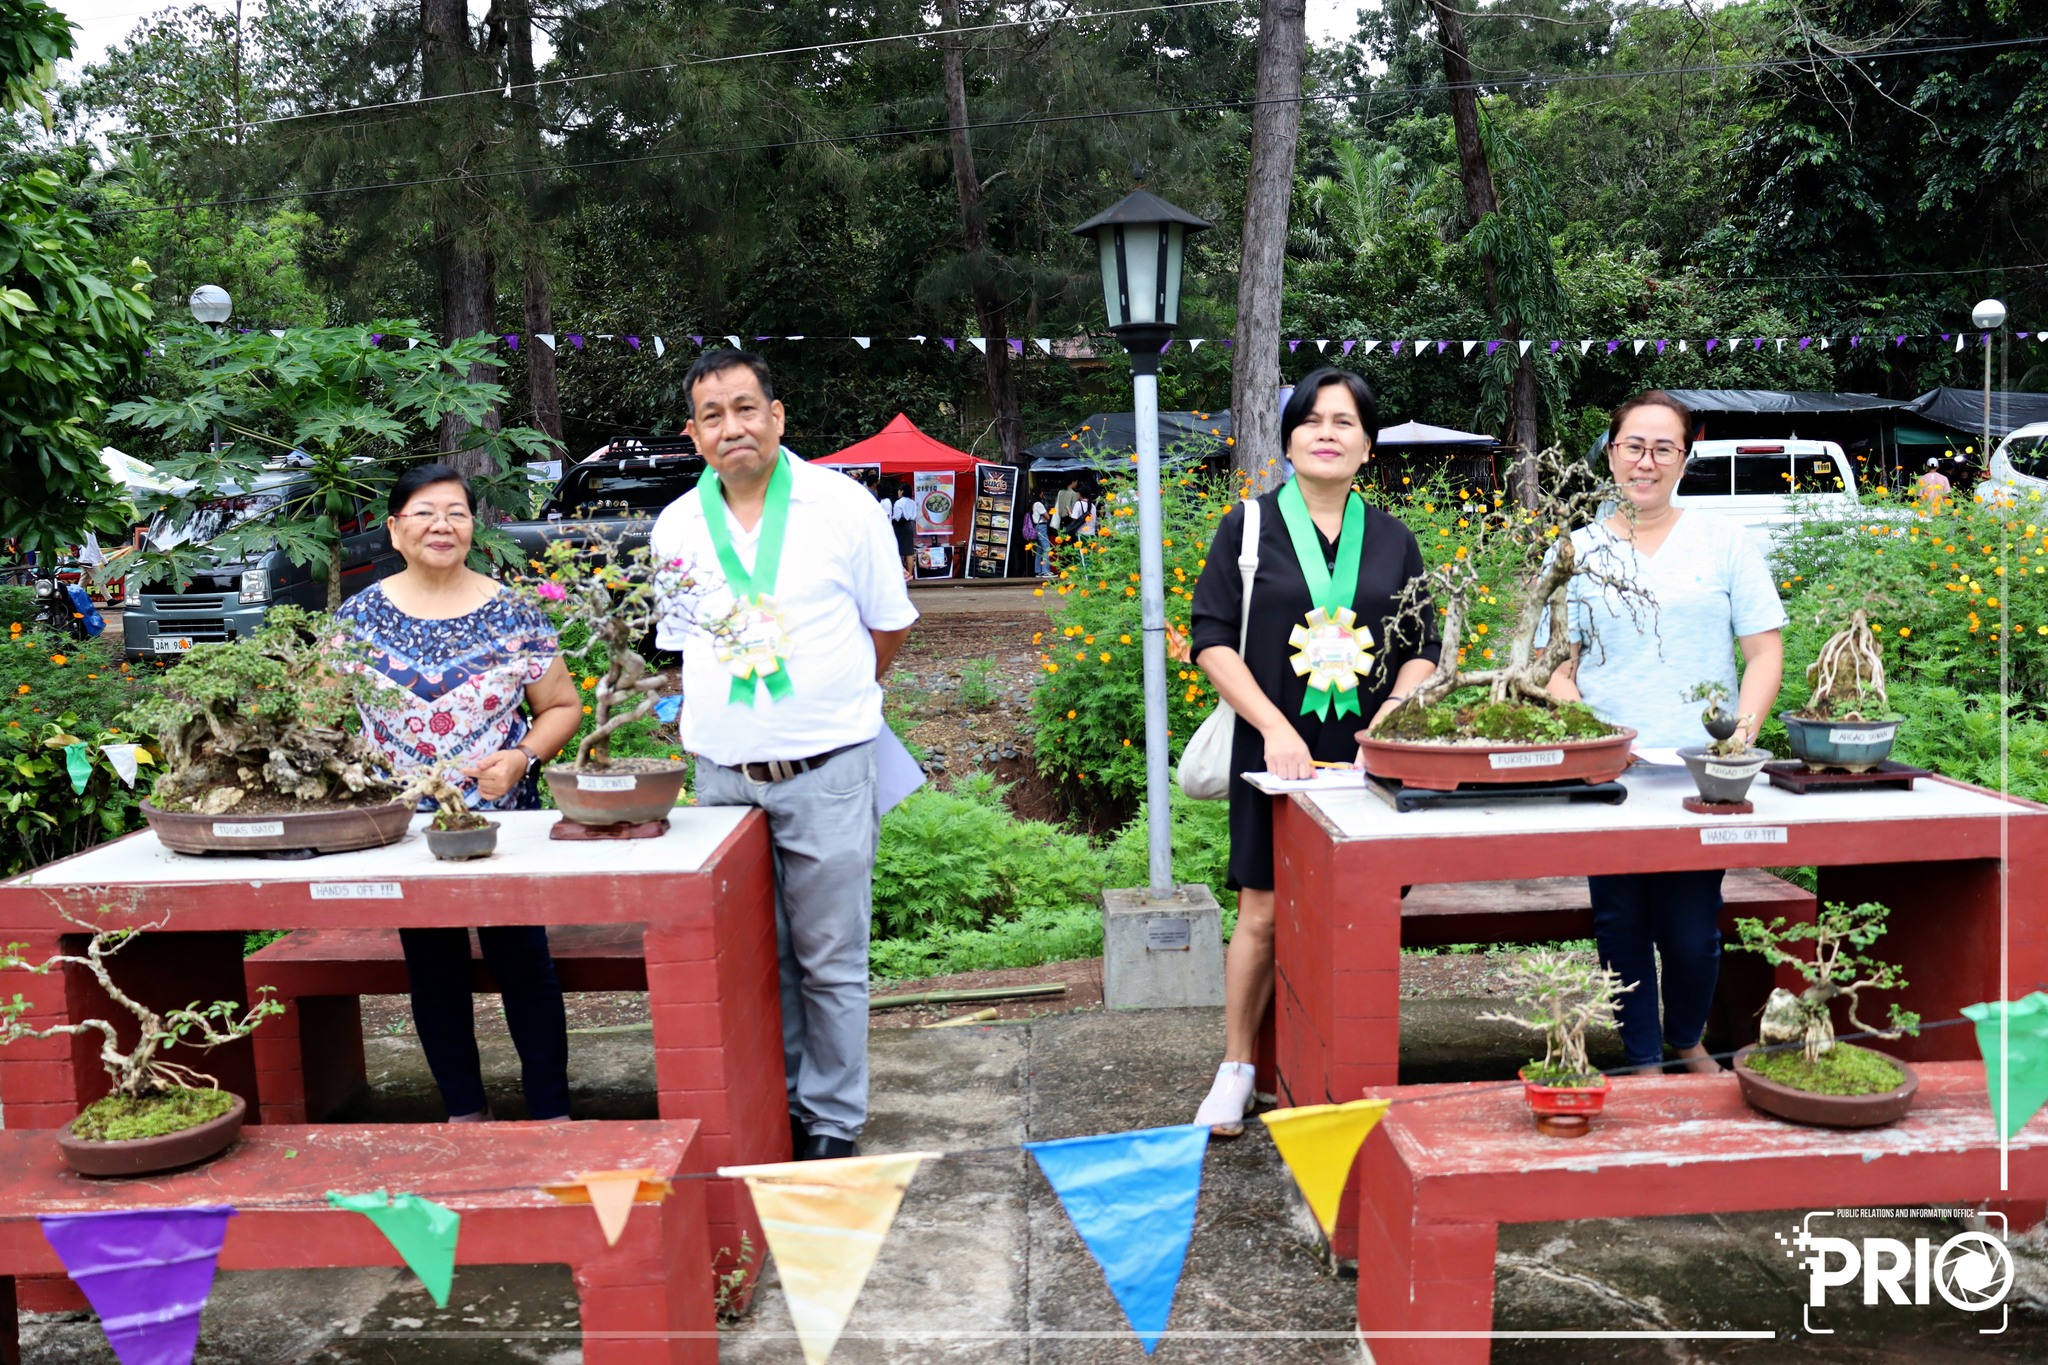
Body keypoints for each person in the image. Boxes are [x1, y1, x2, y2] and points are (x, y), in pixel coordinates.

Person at [650, 350, 917, 1160]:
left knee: (830, 958)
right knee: (755, 958)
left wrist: (834, 704)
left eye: (745, 407)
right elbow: (678, 646)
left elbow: (891, 624)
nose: (733, 427)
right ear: (694, 435)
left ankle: (831, 1122)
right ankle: (786, 1104)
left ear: (777, 415)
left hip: (827, 769)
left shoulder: (842, 506)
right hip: (721, 780)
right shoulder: (676, 526)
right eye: (713, 415)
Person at [1188, 368, 1441, 1136]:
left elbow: (1424, 642)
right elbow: (1210, 639)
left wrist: (1392, 716)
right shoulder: (1248, 527)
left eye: (1345, 421)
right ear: (1290, 438)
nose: (1327, 432)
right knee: (1260, 909)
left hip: (1367, 755)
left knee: (1360, 911)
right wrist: (1273, 725)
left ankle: (1341, 1059)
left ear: (1367, 445)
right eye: (1312, 420)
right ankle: (1237, 1067)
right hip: (1274, 750)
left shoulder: (1395, 539)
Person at [334, 464, 584, 1122]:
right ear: (393, 528)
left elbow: (560, 705)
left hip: (505, 828)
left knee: (524, 963)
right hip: (404, 835)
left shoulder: (513, 611)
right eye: (423, 511)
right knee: (434, 969)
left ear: (474, 527)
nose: (441, 524)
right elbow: (320, 722)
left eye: (456, 511)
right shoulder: (356, 619)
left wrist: (524, 756)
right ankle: (465, 1113)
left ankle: (551, 1113)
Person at [1547, 391, 1785, 1075]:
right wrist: (1592, 730)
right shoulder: (1575, 551)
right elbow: (1558, 668)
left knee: (1690, 930)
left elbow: (1763, 652)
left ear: (1686, 455)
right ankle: (1643, 1054)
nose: (1645, 461)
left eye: (1662, 448)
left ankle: (1687, 1038)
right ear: (1611, 450)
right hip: (1609, 777)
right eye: (1632, 446)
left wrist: (1739, 737)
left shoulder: (1724, 543)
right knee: (1620, 923)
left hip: (1699, 775)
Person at [889, 481, 918, 576]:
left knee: (899, 551)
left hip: (900, 527)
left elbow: (897, 517)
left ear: (902, 491)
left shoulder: (899, 502)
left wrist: (891, 517)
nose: (898, 492)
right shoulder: (913, 502)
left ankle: (901, 574)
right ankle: (910, 574)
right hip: (910, 526)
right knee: (909, 551)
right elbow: (914, 516)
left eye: (899, 490)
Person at [1027, 490, 1052, 576]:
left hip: (1036, 527)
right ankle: (1045, 571)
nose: (1043, 494)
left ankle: (1038, 570)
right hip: (1041, 527)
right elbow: (1047, 516)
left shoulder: (1033, 504)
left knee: (1039, 549)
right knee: (1047, 548)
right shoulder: (1039, 504)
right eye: (1042, 493)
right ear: (1040, 494)